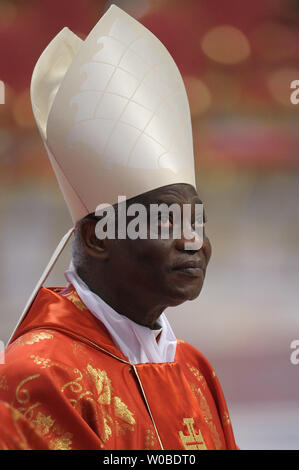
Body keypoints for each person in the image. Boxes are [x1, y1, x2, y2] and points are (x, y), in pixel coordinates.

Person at [0, 5, 238, 450]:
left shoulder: (192, 366)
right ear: (97, 236)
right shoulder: (37, 375)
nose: (194, 241)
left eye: (196, 220)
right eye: (166, 219)